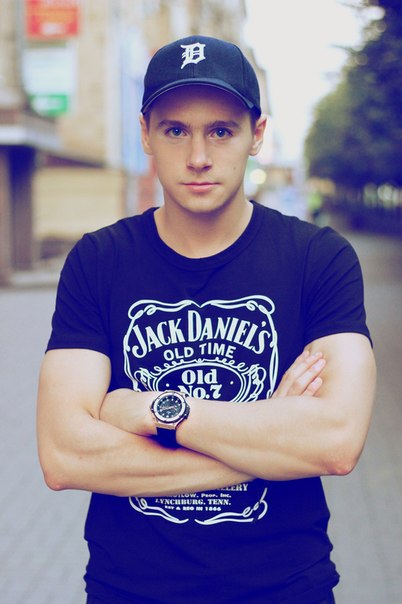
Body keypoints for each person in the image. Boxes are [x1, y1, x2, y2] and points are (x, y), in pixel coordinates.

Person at [37, 35, 376, 604]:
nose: (198, 156)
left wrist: (151, 410)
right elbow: (65, 456)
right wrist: (268, 443)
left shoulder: (317, 258)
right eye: (176, 131)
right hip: (131, 591)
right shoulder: (99, 261)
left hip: (285, 588)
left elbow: (335, 443)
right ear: (145, 134)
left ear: (256, 135)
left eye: (221, 131)